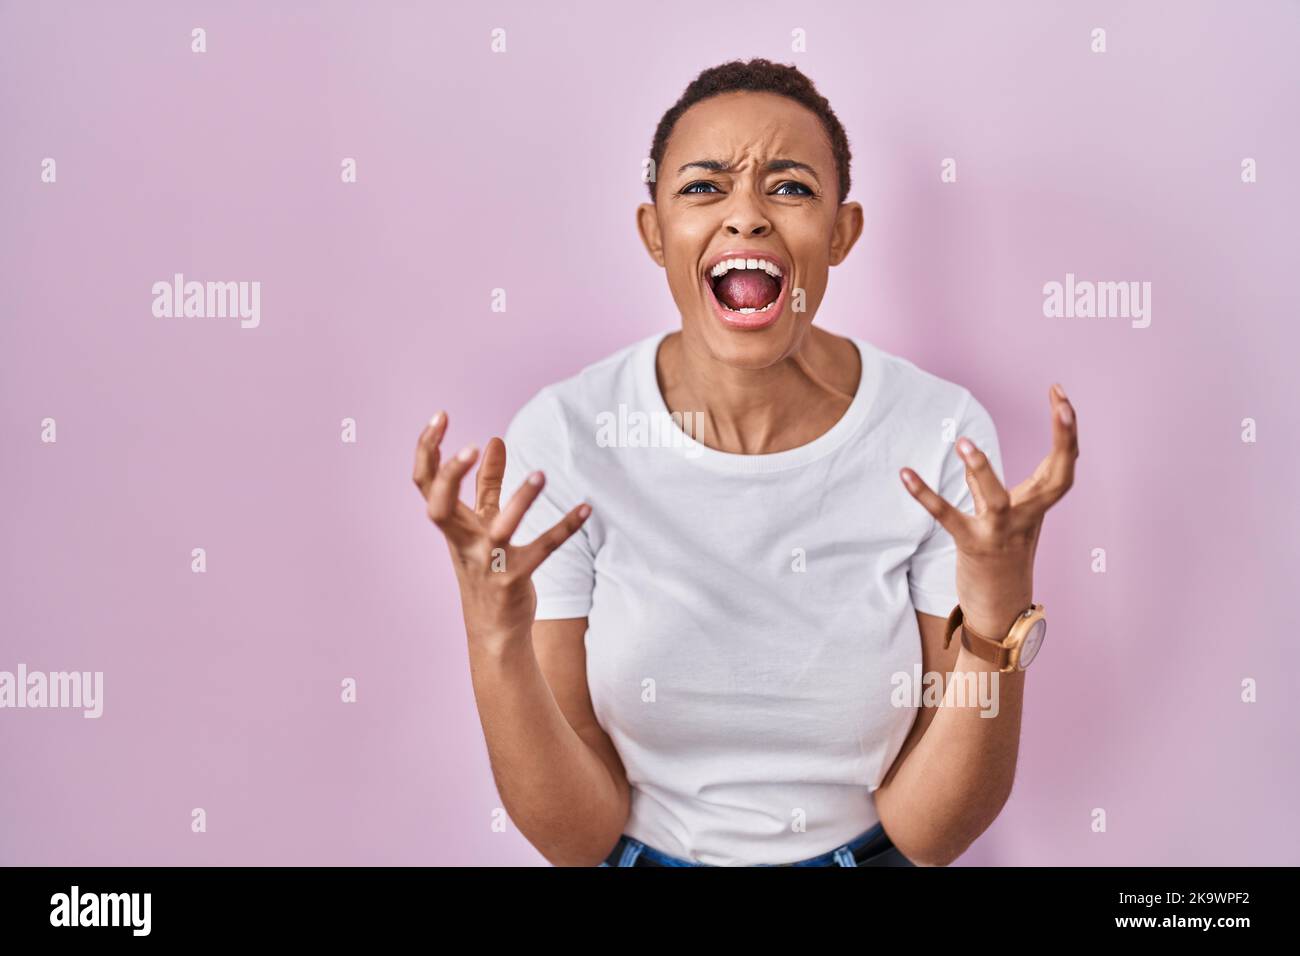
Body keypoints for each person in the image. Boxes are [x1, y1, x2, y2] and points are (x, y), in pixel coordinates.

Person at [411, 58, 1078, 867]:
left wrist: (998, 611)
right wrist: (495, 637)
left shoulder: (937, 431)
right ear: (654, 233)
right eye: (703, 187)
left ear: (842, 232)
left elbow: (930, 833)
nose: (747, 217)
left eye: (791, 187)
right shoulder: (570, 435)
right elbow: (578, 836)